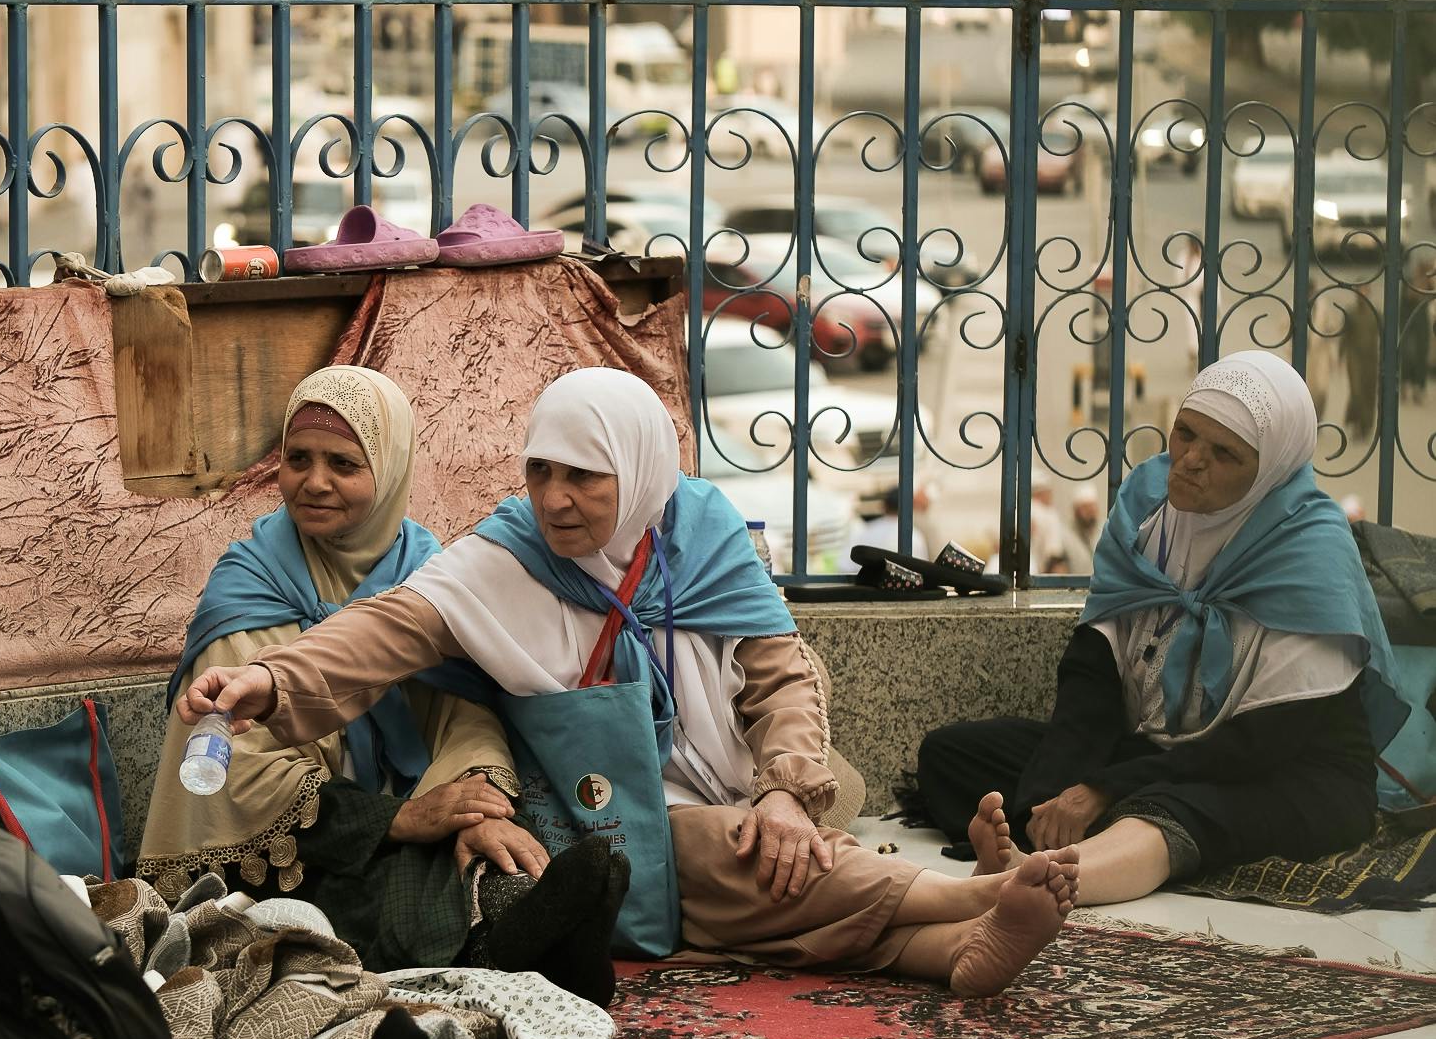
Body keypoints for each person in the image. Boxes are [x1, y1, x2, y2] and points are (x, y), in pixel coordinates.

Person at [178, 369, 1082, 998]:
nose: (556, 499)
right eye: (540, 472)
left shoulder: (697, 525)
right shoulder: (507, 552)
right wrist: (267, 677)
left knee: (776, 832)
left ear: (639, 469)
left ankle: (945, 951)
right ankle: (964, 897)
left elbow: (779, 675)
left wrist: (784, 789)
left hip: (730, 776)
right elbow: (388, 629)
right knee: (725, 849)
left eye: (584, 477)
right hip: (590, 799)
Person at [143, 365, 625, 1003]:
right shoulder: (249, 585)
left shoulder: (426, 574)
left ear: (393, 470)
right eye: (298, 459)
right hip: (285, 849)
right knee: (347, 902)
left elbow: (464, 715)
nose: (314, 483)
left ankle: (529, 932)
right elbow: (233, 768)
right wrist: (400, 817)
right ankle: (522, 951)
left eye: (344, 464)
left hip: (402, 817)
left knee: (486, 853)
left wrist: (470, 801)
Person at [916, 352, 1407, 906]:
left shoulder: (1310, 551)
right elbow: (1091, 677)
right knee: (952, 756)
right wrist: (1047, 797)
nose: (1191, 461)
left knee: (1164, 810)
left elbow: (1258, 745)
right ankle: (1046, 848)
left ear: (1270, 467)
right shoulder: (1148, 508)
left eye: (1225, 454)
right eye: (1186, 434)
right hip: (1154, 751)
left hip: (1283, 772)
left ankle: (1013, 890)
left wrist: (1103, 788)